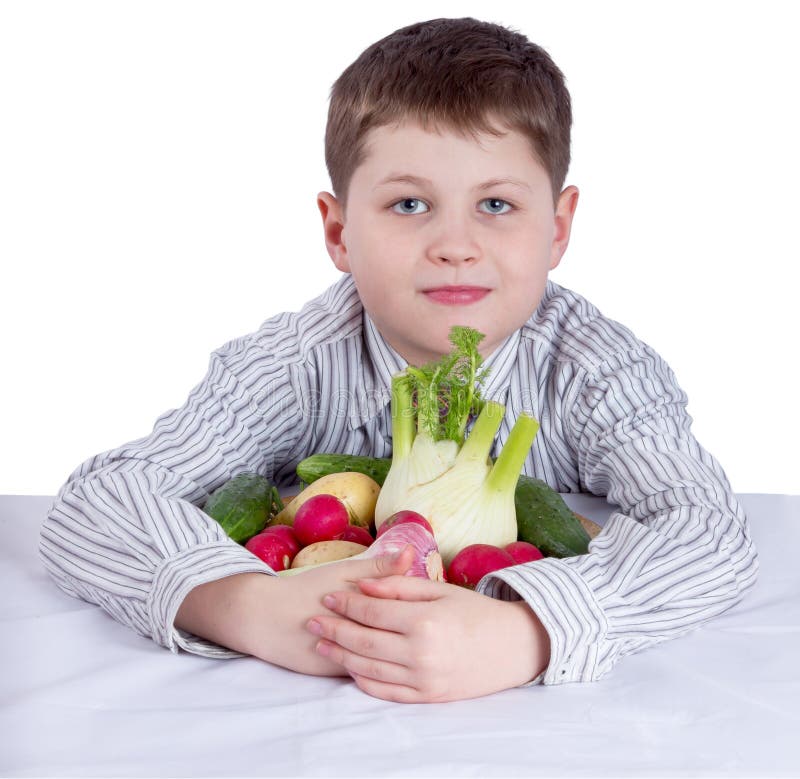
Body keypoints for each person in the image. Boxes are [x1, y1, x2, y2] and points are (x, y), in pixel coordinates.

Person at [39, 17, 758, 704]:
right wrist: (243, 605)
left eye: (498, 205)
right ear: (339, 230)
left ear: (559, 227)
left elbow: (706, 528)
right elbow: (97, 501)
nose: (455, 243)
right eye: (410, 204)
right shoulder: (294, 363)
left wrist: (528, 633)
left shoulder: (596, 372)